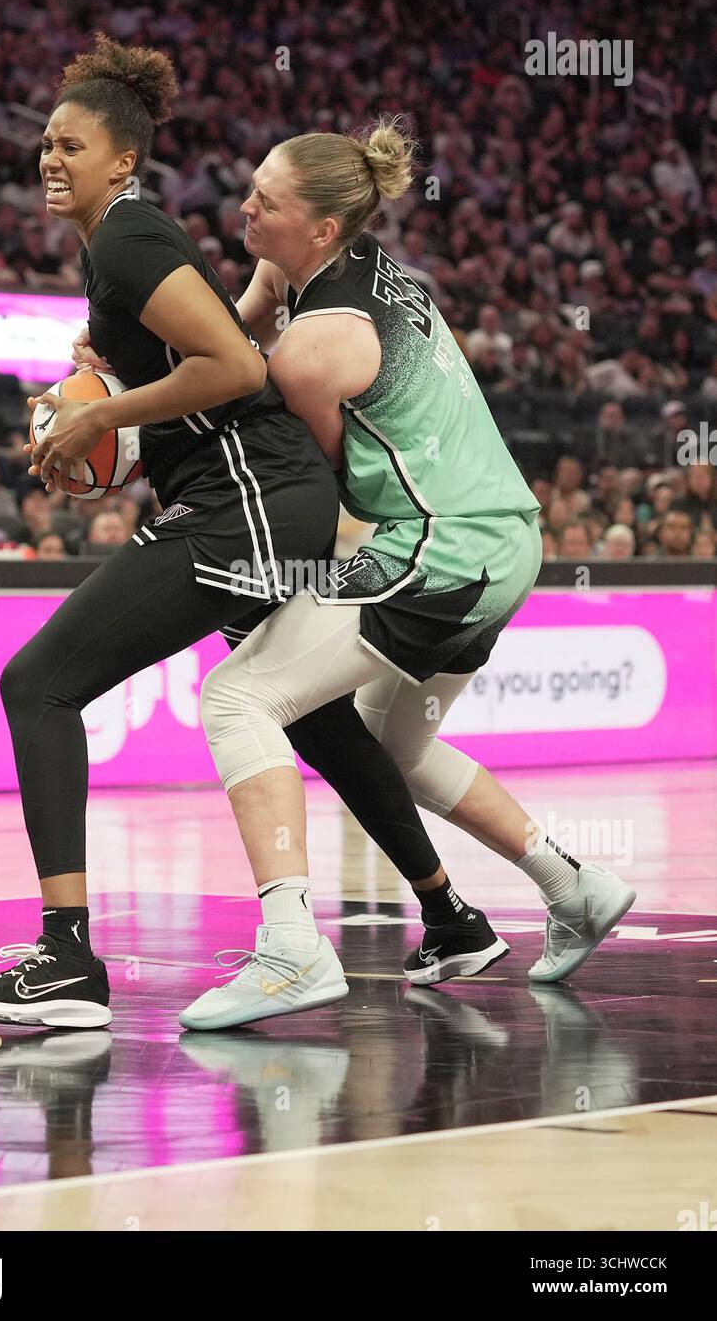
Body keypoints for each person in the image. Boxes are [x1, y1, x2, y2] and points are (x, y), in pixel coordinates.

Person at [0, 36, 437, 1029]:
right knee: (302, 709)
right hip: (264, 496)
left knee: (33, 681)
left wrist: (101, 416)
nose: (49, 157)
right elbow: (208, 355)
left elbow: (239, 370)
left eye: (70, 144)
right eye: (44, 141)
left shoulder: (126, 238)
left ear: (122, 159)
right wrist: (114, 383)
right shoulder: (115, 248)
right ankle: (450, 909)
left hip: (246, 499)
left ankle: (69, 960)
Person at [177, 122, 635, 1030]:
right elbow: (237, 327)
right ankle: (572, 886)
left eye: (267, 201)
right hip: (506, 540)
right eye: (252, 188)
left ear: (322, 226)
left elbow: (319, 474)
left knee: (237, 699)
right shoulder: (362, 264)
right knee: (398, 746)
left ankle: (290, 949)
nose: (245, 207)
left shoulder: (315, 349)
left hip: (441, 547)